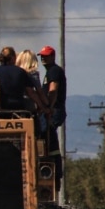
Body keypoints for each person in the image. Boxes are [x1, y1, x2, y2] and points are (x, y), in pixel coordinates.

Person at [0, 46, 45, 113]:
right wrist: (41, 106)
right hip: (19, 108)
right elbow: (31, 92)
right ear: (13, 58)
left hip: (3, 107)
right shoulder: (21, 72)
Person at [40, 45, 67, 178]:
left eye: (46, 56)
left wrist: (48, 107)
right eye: (42, 56)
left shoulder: (54, 71)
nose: (43, 59)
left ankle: (53, 169)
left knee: (47, 135)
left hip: (53, 110)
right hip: (52, 110)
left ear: (53, 57)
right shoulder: (50, 71)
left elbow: (53, 89)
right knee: (49, 138)